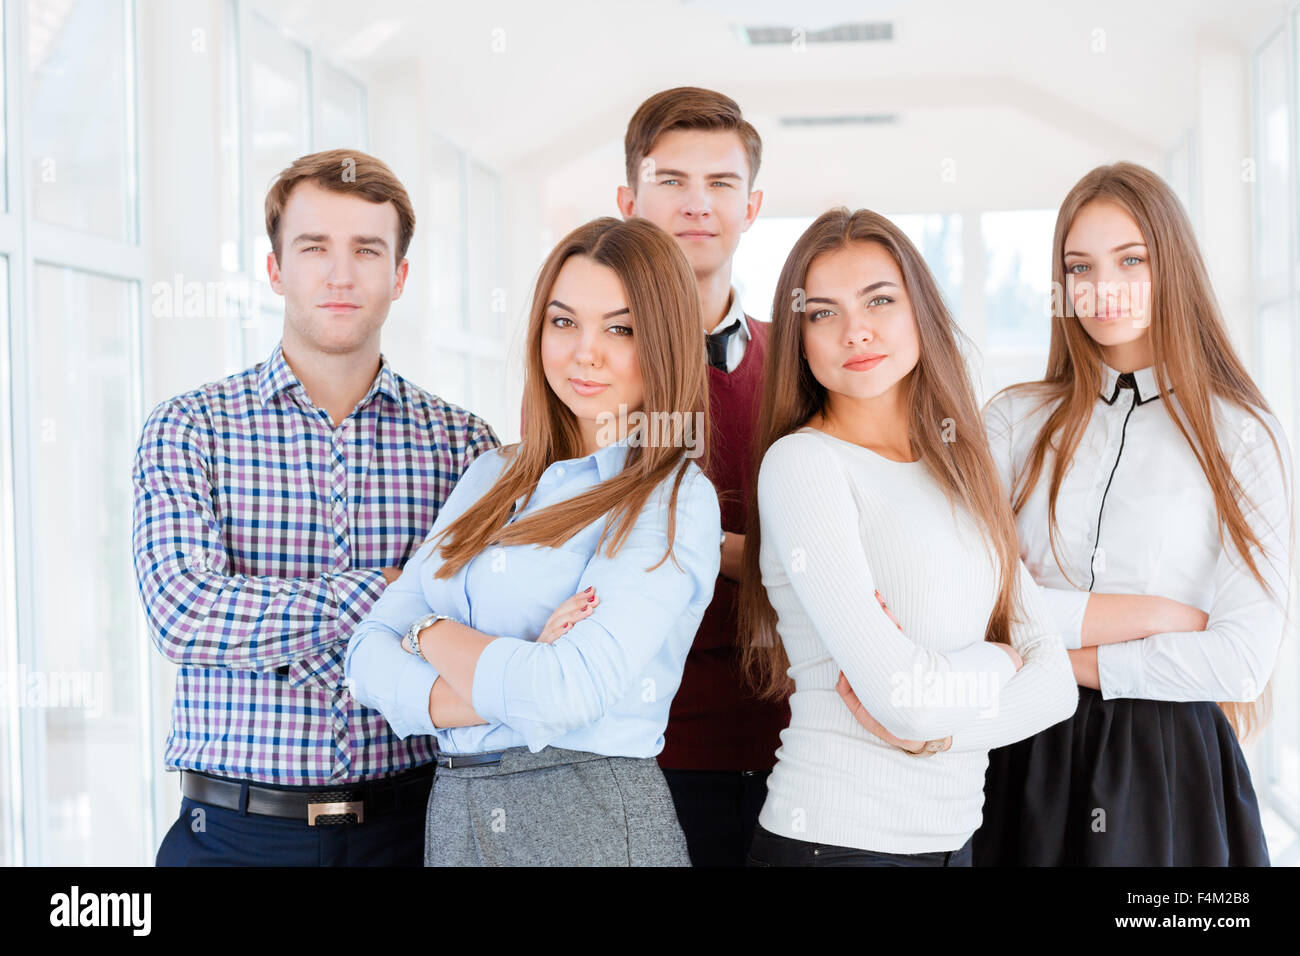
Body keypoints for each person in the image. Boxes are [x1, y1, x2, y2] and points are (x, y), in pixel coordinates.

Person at [133, 148, 498, 866]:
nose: (340, 273)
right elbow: (184, 614)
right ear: (274, 269)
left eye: (367, 250)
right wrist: (384, 596)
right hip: (232, 837)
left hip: (416, 830)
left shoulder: (464, 445)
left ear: (399, 277)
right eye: (314, 248)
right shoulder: (189, 427)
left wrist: (271, 628)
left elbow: (477, 629)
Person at [345, 216, 722, 866]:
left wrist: (429, 632)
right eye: (564, 321)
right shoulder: (490, 473)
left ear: (664, 342)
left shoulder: (672, 499)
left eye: (620, 328)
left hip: (588, 819)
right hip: (457, 812)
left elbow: (563, 693)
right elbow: (363, 658)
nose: (585, 351)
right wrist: (513, 674)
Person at [972, 162, 1295, 866]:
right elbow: (980, 604)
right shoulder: (1012, 421)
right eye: (1079, 266)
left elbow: (1241, 662)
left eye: (1131, 259)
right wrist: (1157, 614)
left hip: (1168, 770)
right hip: (1022, 751)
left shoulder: (1240, 433)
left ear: (1171, 264)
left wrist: (1064, 652)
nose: (1101, 289)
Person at [739, 207, 1078, 867]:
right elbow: (905, 701)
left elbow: (1057, 686)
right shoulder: (804, 466)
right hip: (835, 844)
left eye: (880, 300)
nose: (855, 331)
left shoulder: (960, 466)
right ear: (800, 339)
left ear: (919, 309)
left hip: (953, 844)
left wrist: (938, 735)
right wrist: (999, 663)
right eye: (822, 312)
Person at [615, 86, 789, 866]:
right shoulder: (587, 365)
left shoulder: (800, 359)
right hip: (638, 751)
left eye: (720, 183)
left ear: (751, 206)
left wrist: (701, 543)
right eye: (671, 181)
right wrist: (751, 555)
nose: (697, 205)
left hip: (797, 742)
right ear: (628, 201)